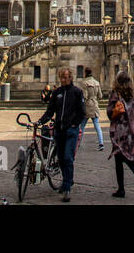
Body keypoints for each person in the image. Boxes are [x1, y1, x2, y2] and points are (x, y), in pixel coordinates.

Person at [37, 68, 86, 202]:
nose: (63, 80)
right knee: (60, 160)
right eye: (61, 78)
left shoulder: (77, 92)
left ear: (70, 78)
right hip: (59, 130)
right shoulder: (57, 93)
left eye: (65, 77)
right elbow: (50, 111)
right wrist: (40, 121)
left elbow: (82, 112)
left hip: (71, 130)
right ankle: (67, 181)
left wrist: (75, 124)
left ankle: (67, 189)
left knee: (68, 158)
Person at [106, 70, 134, 198]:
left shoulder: (116, 94)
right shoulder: (133, 94)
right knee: (123, 157)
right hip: (133, 130)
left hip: (121, 131)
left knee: (123, 157)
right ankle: (121, 189)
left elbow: (109, 112)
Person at [80, 68, 105, 150]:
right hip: (95, 105)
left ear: (85, 73)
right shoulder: (97, 82)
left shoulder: (84, 83)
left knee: (82, 126)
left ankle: (78, 142)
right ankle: (101, 143)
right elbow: (100, 96)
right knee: (97, 125)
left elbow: (85, 96)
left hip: (87, 106)